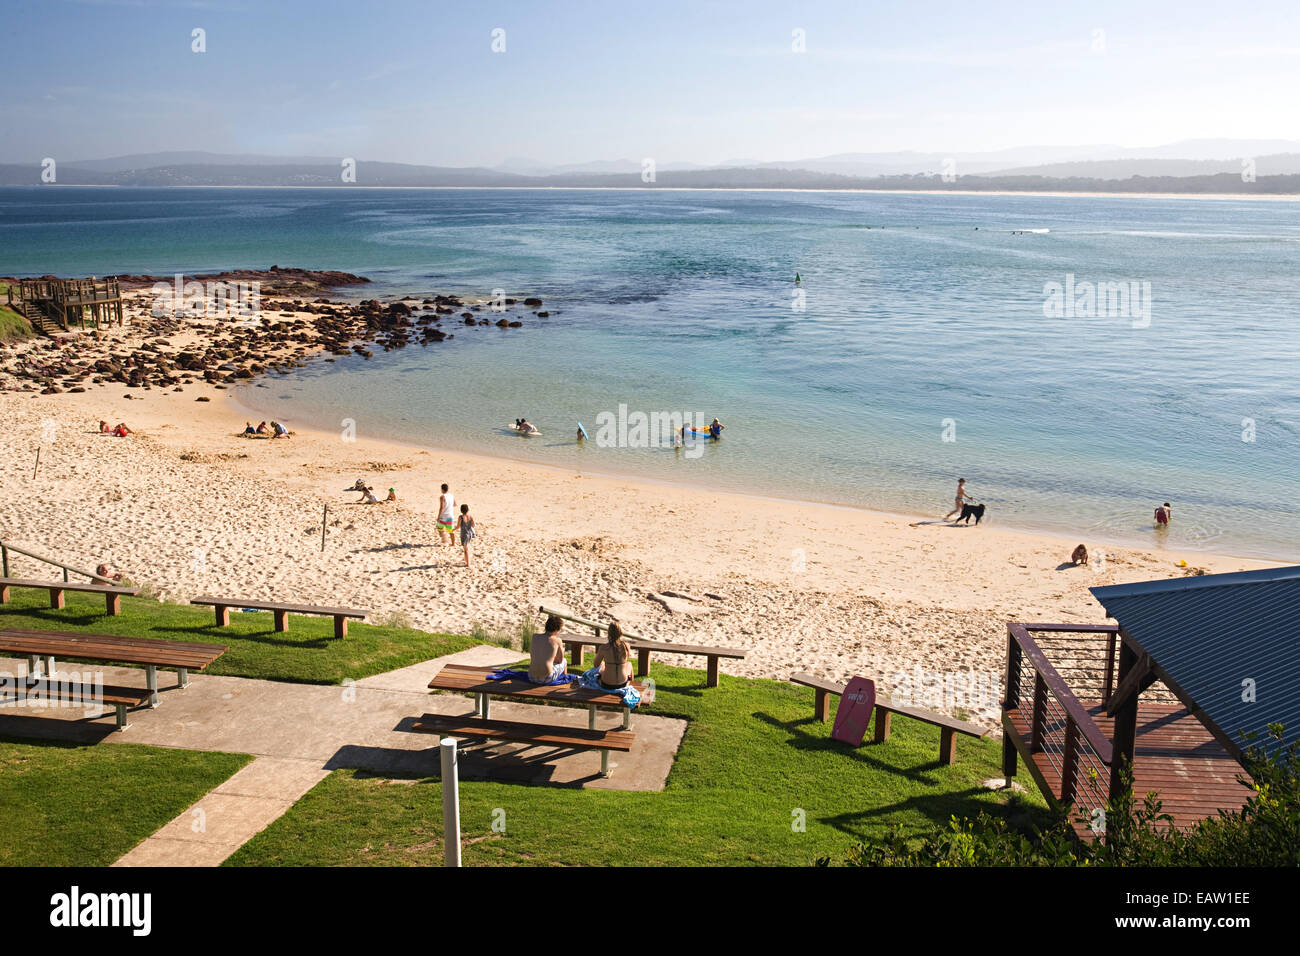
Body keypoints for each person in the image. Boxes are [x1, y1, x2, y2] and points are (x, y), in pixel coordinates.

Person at [593, 622, 633, 691]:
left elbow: (596, 665)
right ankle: (631, 685)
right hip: (623, 683)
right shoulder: (626, 646)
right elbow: (625, 660)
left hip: (606, 684)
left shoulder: (603, 648)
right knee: (629, 664)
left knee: (602, 664)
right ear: (620, 632)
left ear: (609, 633)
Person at [528, 615, 567, 683]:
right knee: (564, 661)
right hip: (547, 678)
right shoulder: (557, 640)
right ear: (557, 629)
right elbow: (560, 660)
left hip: (531, 677)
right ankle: (565, 679)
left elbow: (534, 654)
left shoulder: (534, 637)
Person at [456, 502, 476, 567]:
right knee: (467, 548)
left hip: (464, 534)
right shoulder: (470, 516)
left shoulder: (461, 517)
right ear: (468, 510)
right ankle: (467, 561)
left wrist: (453, 530)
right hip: (470, 534)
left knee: (465, 550)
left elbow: (458, 526)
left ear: (461, 510)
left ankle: (468, 564)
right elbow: (473, 524)